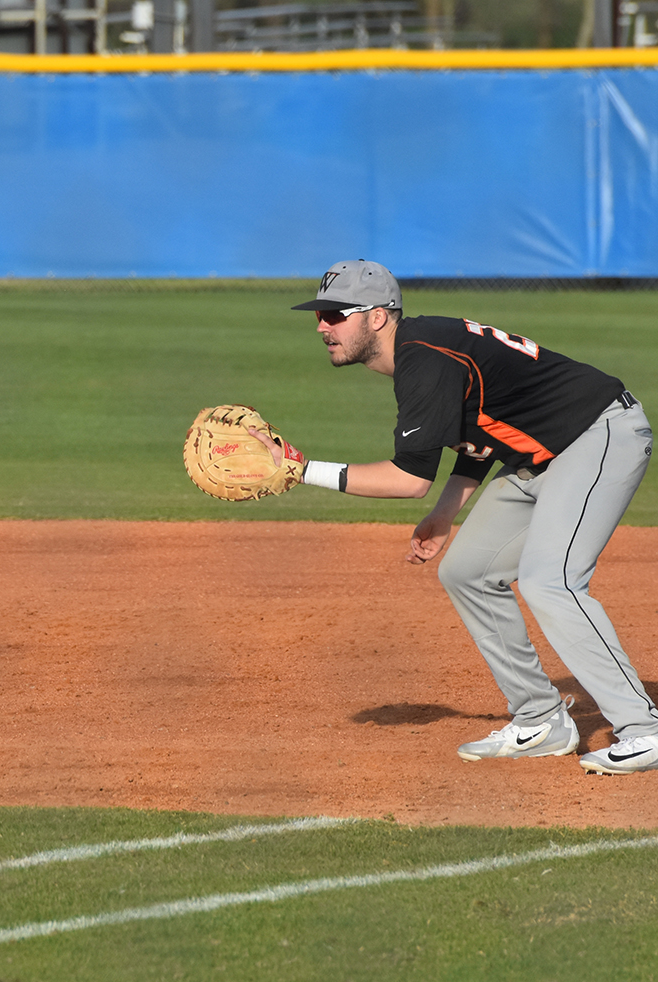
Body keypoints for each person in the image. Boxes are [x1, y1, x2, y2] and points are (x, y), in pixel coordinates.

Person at [264, 260, 658, 774]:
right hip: (537, 458)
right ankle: (540, 719)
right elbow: (479, 435)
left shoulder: (422, 357)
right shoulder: (423, 352)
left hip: (597, 435)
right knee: (467, 571)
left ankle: (643, 728)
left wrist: (300, 470)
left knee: (551, 581)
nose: (322, 326)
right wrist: (446, 513)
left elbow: (408, 479)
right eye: (320, 315)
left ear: (379, 317)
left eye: (336, 315)